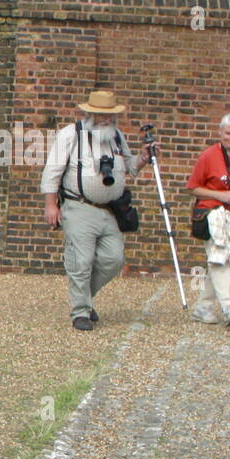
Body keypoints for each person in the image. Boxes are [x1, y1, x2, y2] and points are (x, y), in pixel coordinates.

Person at [40, 90, 147, 331]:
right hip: (79, 206)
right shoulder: (71, 135)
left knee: (114, 259)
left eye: (110, 115)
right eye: (101, 115)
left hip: (110, 210)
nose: (106, 119)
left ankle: (84, 301)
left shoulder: (117, 137)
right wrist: (51, 204)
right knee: (82, 260)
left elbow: (130, 167)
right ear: (89, 113)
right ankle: (80, 312)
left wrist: (143, 158)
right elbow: (52, 170)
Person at [187, 112, 230, 327]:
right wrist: (219, 195)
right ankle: (228, 306)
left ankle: (202, 308)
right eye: (228, 133)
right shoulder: (208, 156)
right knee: (219, 258)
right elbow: (193, 187)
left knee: (223, 261)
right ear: (220, 132)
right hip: (213, 214)